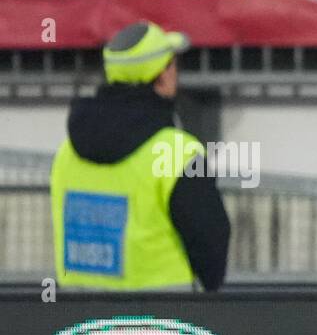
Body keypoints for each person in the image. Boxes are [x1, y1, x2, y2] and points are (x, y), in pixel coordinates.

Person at [50, 21, 229, 291]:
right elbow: (211, 241)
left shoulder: (68, 151)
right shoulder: (176, 153)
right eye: (172, 63)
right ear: (162, 75)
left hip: (81, 320)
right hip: (163, 319)